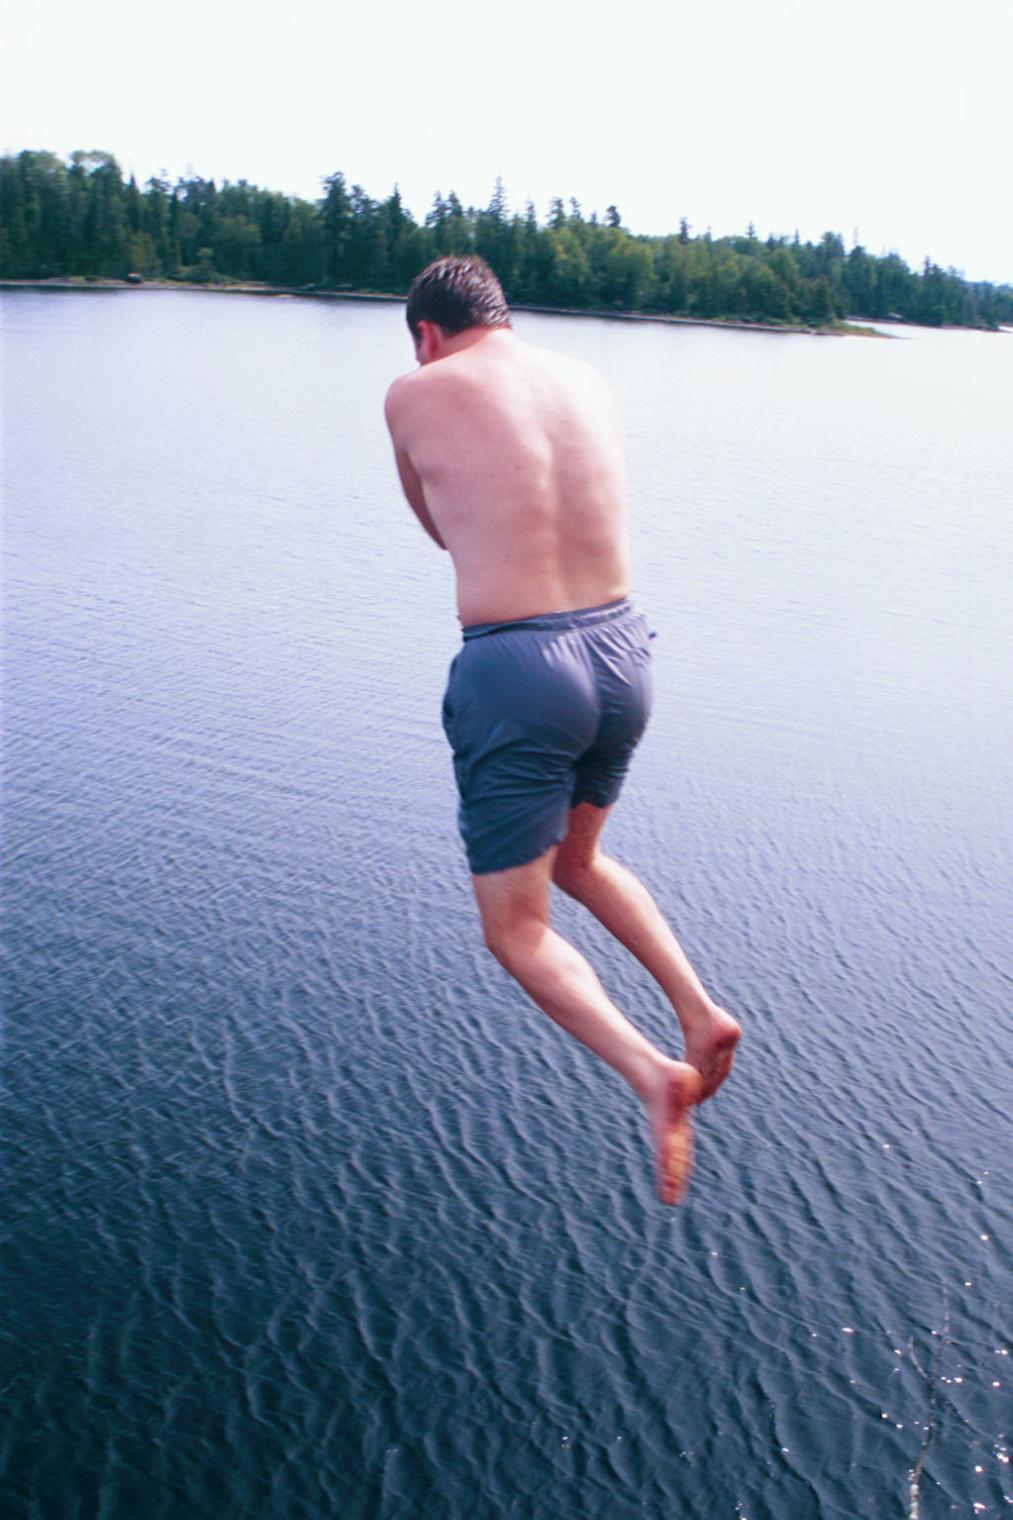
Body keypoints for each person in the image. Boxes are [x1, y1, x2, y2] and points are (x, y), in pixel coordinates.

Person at [384, 255, 740, 1205]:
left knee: (516, 930)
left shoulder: (416, 388)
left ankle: (652, 1071)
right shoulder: (585, 377)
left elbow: (438, 526)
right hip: (623, 651)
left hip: (519, 667)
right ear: (502, 315)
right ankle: (698, 1010)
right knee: (579, 859)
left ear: (426, 331)